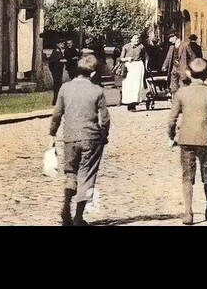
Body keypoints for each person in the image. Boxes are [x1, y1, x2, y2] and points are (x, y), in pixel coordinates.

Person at [168, 57, 207, 225]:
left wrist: (171, 134)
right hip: (206, 139)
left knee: (187, 176)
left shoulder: (182, 93)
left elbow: (172, 119)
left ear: (188, 73)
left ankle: (188, 213)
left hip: (186, 139)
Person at [50, 52, 109, 226]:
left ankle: (66, 204)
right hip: (91, 138)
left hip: (70, 137)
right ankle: (78, 217)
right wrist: (103, 136)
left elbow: (57, 115)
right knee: (87, 175)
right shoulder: (97, 90)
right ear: (92, 73)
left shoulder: (65, 88)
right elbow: (105, 119)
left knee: (71, 173)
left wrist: (52, 133)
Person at [120, 34, 147, 111]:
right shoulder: (126, 47)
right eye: (135, 39)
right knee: (129, 85)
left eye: (138, 39)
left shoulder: (141, 47)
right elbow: (121, 58)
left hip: (138, 66)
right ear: (131, 39)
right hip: (129, 66)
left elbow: (145, 57)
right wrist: (127, 58)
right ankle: (129, 103)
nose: (136, 40)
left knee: (137, 86)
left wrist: (146, 66)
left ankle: (134, 104)